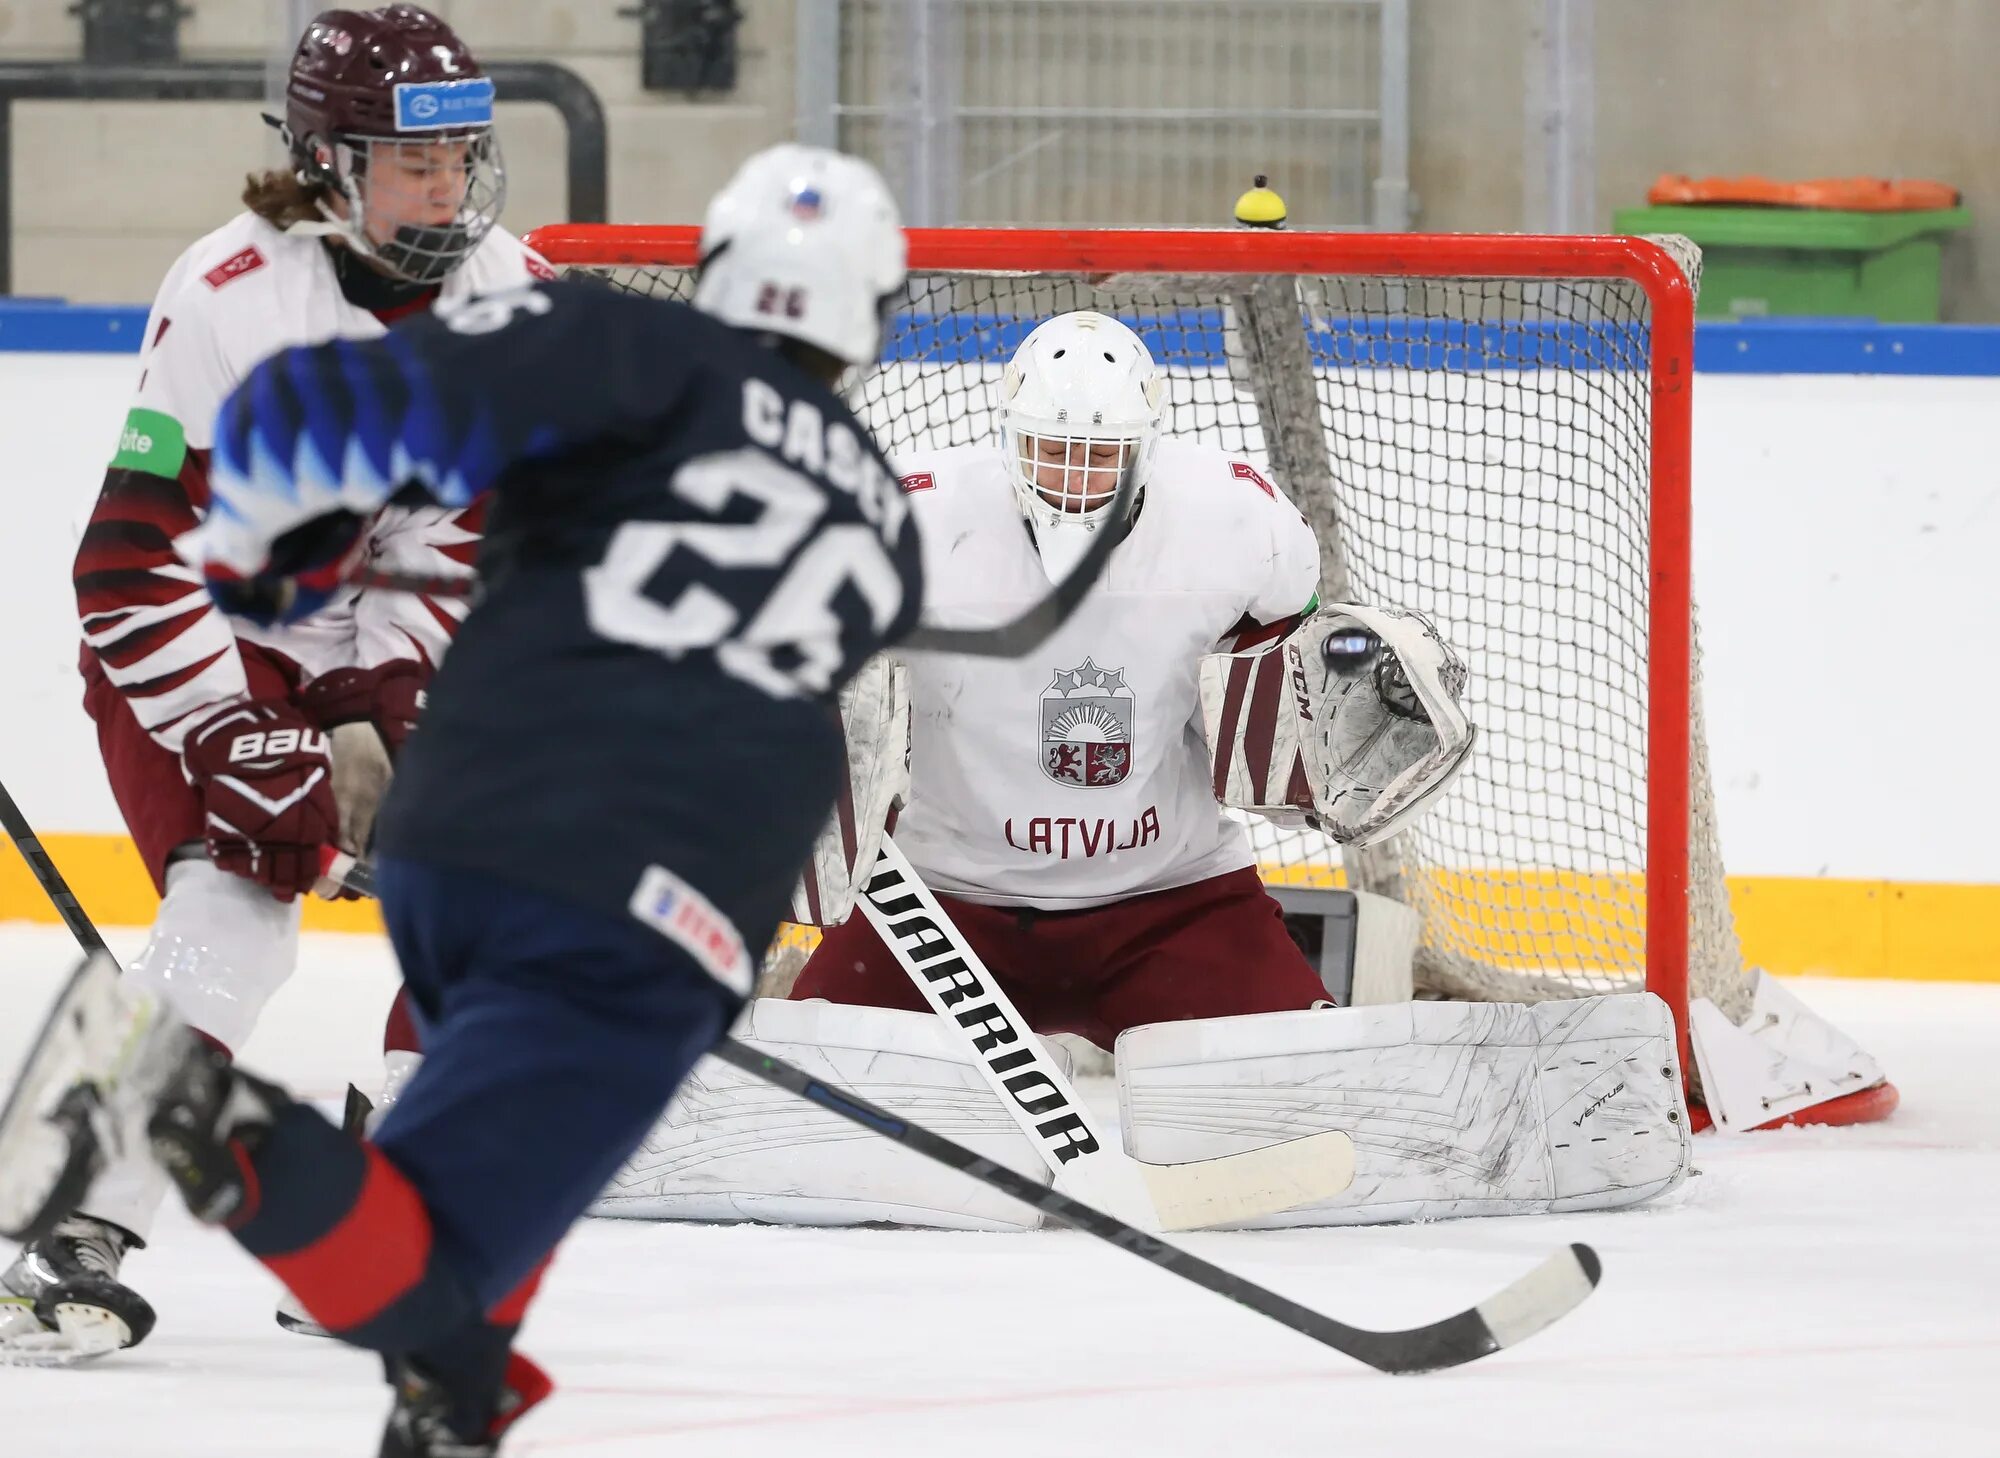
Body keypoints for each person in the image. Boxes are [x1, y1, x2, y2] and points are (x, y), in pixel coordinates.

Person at [9, 143, 918, 1457]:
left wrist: (285, 569)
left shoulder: (598, 328)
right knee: (460, 1216)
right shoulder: (885, 514)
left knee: (426, 1240)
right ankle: (182, 1102)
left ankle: (456, 1384)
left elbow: (336, 411)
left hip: (460, 824)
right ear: (872, 319)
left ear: (716, 271)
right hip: (659, 909)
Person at [595, 310, 1691, 1235]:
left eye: (1097, 454)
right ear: (1007, 438)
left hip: (1171, 908)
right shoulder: (905, 520)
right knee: (793, 1108)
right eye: (1048, 452)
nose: (1071, 478)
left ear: (1147, 443)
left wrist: (1345, 714)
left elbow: (1299, 671)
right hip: (939, 916)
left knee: (1329, 1109)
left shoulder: (1238, 522)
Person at [0, 3, 547, 1361]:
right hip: (196, 641)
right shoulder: (231, 298)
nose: (451, 186)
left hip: (359, 633)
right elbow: (128, 564)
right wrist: (242, 736)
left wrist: (383, 717)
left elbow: (447, 542)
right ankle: (64, 1219)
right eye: (417, 161)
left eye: (465, 154)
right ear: (327, 164)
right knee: (236, 905)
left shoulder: (502, 299)